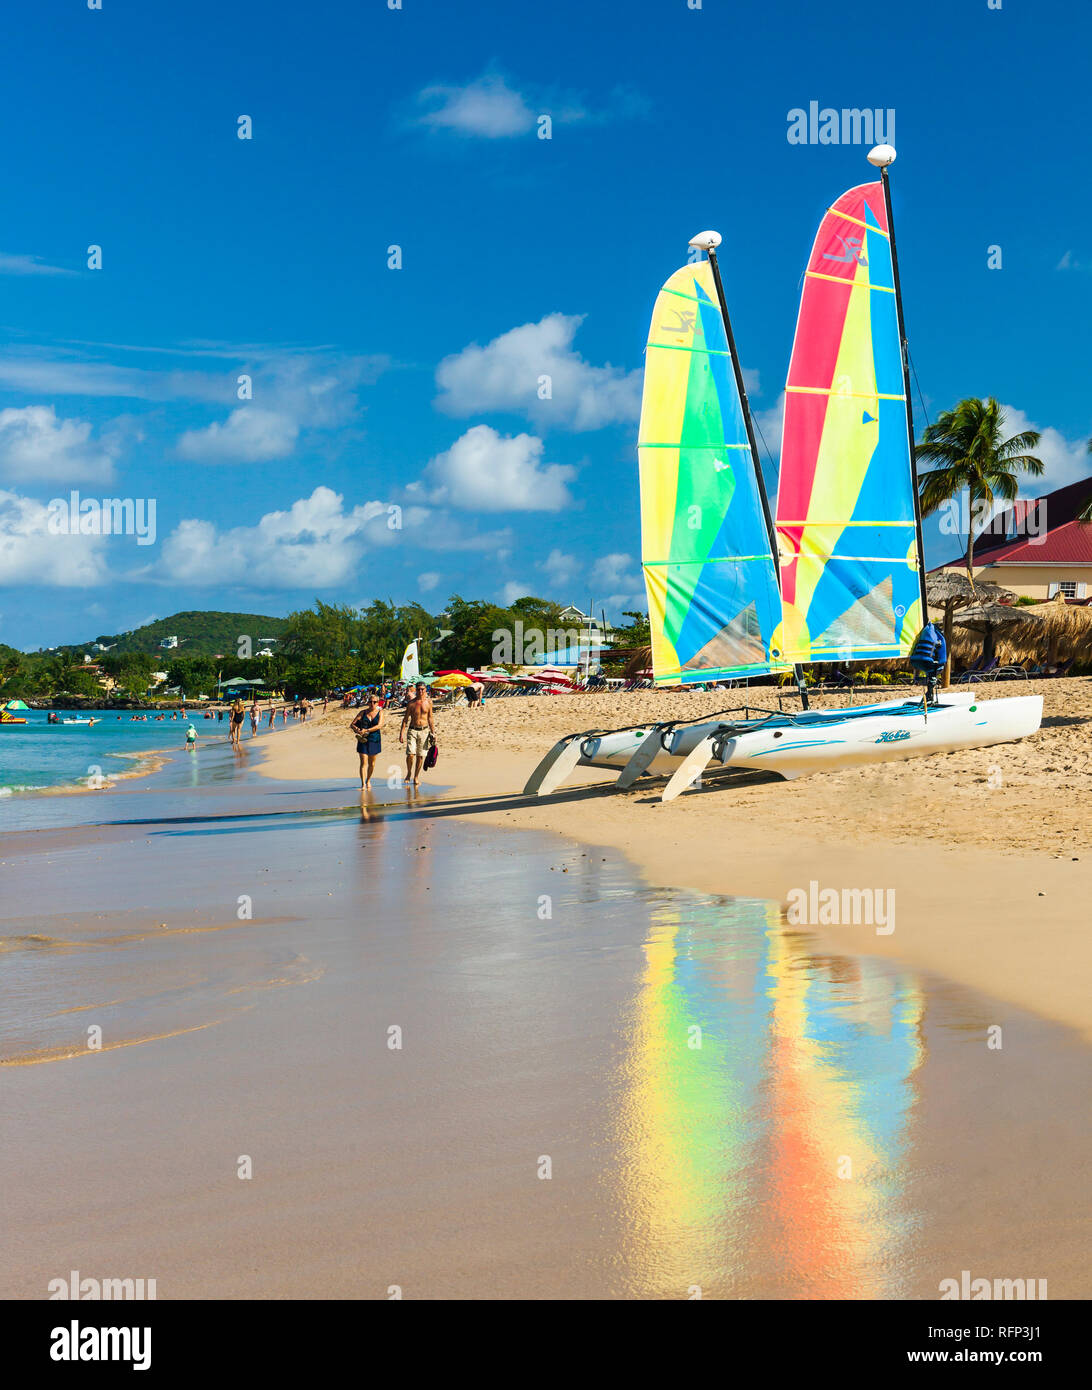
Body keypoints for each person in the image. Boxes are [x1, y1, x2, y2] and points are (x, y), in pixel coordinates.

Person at [399, 681, 435, 787]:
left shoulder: (429, 702)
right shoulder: (411, 703)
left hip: (424, 731)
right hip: (412, 730)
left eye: (422, 689)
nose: (420, 691)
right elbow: (405, 719)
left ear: (425, 690)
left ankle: (416, 776)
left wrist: (433, 733)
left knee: (420, 756)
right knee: (410, 754)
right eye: (418, 689)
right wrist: (401, 733)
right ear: (416, 689)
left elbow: (430, 718)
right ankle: (409, 772)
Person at [350, 693, 383, 790]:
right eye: (370, 701)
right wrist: (357, 729)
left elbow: (379, 725)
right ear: (367, 702)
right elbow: (352, 724)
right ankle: (363, 784)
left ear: (377, 703)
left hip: (375, 739)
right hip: (363, 739)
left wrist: (367, 730)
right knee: (363, 762)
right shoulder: (362, 713)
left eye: (374, 702)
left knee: (372, 763)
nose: (372, 703)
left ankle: (368, 780)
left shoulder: (380, 712)